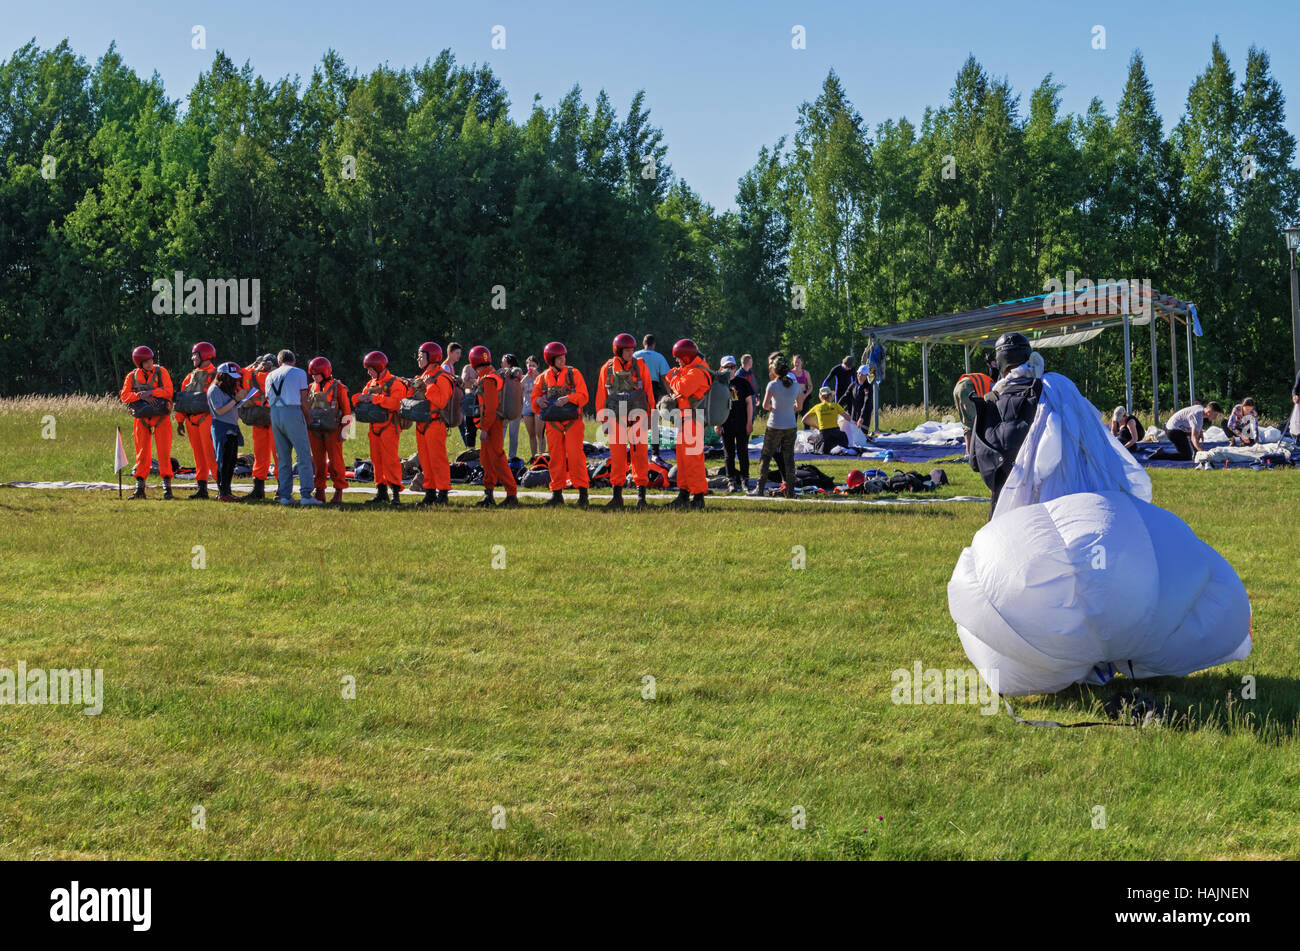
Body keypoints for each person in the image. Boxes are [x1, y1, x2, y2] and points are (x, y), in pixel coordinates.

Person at [970, 333, 1041, 518]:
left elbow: (975, 463)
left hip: (1002, 500)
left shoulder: (988, 403)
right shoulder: (1045, 395)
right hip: (1039, 498)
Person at [595, 332, 655, 509]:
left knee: (640, 455)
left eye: (632, 350)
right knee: (618, 456)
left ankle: (641, 497)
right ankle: (617, 496)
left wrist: (651, 414)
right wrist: (603, 419)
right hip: (615, 416)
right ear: (618, 350)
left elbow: (648, 391)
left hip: (638, 415)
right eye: (627, 350)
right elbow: (601, 395)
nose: (631, 353)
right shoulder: (607, 368)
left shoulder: (641, 365)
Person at [531, 341, 590, 507]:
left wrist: (568, 399)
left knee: (575, 456)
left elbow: (583, 395)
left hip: (573, 422)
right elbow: (534, 400)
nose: (562, 360)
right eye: (559, 357)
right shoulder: (542, 378)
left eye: (563, 356)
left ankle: (583, 494)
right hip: (553, 423)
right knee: (556, 457)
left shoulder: (574, 373)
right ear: (551, 359)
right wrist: (539, 400)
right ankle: (557, 494)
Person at [119, 345, 175, 500]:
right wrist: (141, 396)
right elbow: (124, 396)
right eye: (146, 361)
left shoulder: (161, 372)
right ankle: (140, 489)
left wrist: (151, 392)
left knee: (164, 453)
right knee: (142, 454)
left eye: (151, 360)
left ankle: (167, 490)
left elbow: (169, 391)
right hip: (141, 419)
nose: (150, 363)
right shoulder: (132, 376)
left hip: (161, 418)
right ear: (139, 363)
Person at [663, 338, 713, 509]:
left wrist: (675, 379)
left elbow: (682, 388)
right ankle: (683, 494)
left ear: (685, 357)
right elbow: (670, 375)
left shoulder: (698, 372)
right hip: (685, 419)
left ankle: (698, 498)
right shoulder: (689, 369)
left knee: (693, 461)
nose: (677, 361)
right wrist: (675, 378)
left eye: (678, 357)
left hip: (694, 419)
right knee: (683, 460)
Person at [265, 349, 319, 506]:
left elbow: (269, 398)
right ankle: (306, 495)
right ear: (293, 361)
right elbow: (303, 399)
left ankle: (285, 495)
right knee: (303, 455)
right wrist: (309, 419)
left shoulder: (270, 375)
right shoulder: (299, 373)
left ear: (279, 362)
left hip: (275, 413)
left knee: (283, 457)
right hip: (292, 411)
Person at [355, 350, 409, 505]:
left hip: (389, 427)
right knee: (376, 461)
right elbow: (360, 399)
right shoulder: (371, 384)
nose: (368, 372)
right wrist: (360, 398)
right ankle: (381, 492)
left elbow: (397, 403)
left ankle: (396, 494)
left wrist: (375, 398)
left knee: (390, 460)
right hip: (374, 429)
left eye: (370, 369)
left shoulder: (395, 383)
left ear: (379, 367)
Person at [470, 346, 521, 508]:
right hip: (491, 424)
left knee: (497, 458)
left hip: (493, 425)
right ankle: (489, 494)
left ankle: (511, 494)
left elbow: (490, 408)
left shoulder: (489, 379)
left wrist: (484, 428)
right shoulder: (487, 376)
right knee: (487, 460)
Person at [751, 352, 803, 498]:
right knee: (789, 458)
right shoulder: (796, 386)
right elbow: (799, 406)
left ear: (775, 370)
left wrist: (773, 408)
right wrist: (788, 408)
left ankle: (759, 488)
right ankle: (790, 491)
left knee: (766, 456)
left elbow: (765, 405)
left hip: (774, 425)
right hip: (790, 425)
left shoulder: (772, 385)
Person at [409, 342, 453, 507]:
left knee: (438, 461)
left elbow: (441, 401)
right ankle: (430, 492)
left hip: (435, 423)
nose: (419, 358)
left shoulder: (442, 377)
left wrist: (428, 386)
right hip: (422, 424)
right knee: (425, 462)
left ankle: (443, 493)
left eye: (422, 355)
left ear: (432, 358)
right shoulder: (423, 376)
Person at [176, 341, 219, 499]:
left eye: (195, 355)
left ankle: (221, 487)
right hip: (191, 420)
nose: (192, 357)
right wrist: (180, 421)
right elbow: (183, 399)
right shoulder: (189, 376)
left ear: (205, 355)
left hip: (207, 419)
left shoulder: (215, 374)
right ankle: (202, 489)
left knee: (210, 454)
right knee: (198, 455)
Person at [306, 356, 352, 504]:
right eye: (312, 374)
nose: (314, 376)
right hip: (314, 431)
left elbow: (347, 410)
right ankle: (319, 491)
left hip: (333, 431)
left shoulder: (338, 387)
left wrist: (345, 432)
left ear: (325, 372)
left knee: (335, 462)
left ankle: (338, 491)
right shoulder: (310, 387)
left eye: (316, 373)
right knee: (318, 463)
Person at [207, 361, 248, 503]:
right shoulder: (214, 390)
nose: (234, 381)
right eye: (231, 378)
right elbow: (219, 411)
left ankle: (227, 491)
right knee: (223, 461)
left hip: (231, 427)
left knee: (231, 462)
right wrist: (236, 399)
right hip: (221, 428)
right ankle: (222, 492)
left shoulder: (225, 390)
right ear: (223, 376)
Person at [240, 353, 278, 500]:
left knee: (262, 455)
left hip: (259, 418)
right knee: (276, 454)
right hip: (273, 417)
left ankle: (258, 489)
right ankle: (281, 489)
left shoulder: (251, 373)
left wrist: (254, 364)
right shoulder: (277, 375)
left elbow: (242, 371)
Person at [716, 355, 754, 493]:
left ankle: (745, 480)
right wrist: (717, 423)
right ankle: (731, 481)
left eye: (732, 367)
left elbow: (749, 403)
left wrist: (749, 422)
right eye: (727, 367)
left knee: (743, 453)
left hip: (742, 422)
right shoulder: (718, 384)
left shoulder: (743, 382)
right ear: (721, 368)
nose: (730, 370)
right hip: (726, 423)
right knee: (728, 454)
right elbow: (716, 405)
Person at [634, 334, 671, 452]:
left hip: (638, 388)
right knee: (654, 421)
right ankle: (655, 452)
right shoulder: (659, 357)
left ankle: (637, 449)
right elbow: (665, 377)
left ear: (643, 343)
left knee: (637, 419)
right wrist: (670, 393)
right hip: (654, 387)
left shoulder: (635, 355)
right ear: (654, 344)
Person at [1151, 401, 1224, 461]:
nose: (1216, 417)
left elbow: (1195, 427)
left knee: (1197, 433)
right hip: (1173, 431)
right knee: (1186, 457)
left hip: (1172, 426)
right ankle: (1160, 455)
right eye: (1215, 414)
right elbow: (1193, 438)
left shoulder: (1201, 408)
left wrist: (1200, 432)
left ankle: (1196, 454)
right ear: (1209, 412)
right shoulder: (1197, 416)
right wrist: (1202, 451)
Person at [953, 356, 996, 457]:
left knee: (966, 423)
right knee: (975, 422)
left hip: (957, 388)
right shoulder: (992, 384)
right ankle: (973, 452)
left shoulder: (984, 379)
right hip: (966, 389)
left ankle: (968, 452)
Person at [802, 386, 849, 453]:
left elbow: (804, 419)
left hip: (824, 435)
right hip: (836, 435)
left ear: (820, 396)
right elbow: (848, 418)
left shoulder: (817, 407)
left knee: (810, 438)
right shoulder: (836, 406)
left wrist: (817, 427)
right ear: (830, 395)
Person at [501, 354, 525, 461]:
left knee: (513, 433)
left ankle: (512, 456)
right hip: (503, 406)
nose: (501, 363)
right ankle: (499, 454)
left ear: (509, 363)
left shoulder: (516, 372)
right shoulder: (501, 373)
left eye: (503, 361)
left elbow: (517, 371)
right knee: (501, 432)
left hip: (515, 406)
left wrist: (509, 371)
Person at [841, 364, 875, 436]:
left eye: (862, 374)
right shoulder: (853, 385)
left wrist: (862, 418)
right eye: (859, 373)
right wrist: (836, 407)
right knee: (851, 436)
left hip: (864, 417)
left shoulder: (868, 387)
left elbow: (867, 402)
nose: (860, 375)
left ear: (866, 375)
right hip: (853, 415)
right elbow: (845, 397)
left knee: (861, 437)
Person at [520, 355, 543, 460]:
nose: (531, 367)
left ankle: (542, 456)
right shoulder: (523, 377)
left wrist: (537, 375)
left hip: (539, 408)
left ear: (537, 366)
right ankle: (534, 457)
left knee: (540, 434)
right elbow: (519, 387)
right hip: (527, 408)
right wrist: (526, 376)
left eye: (533, 365)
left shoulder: (541, 376)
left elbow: (545, 386)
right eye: (529, 365)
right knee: (531, 435)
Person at [459, 348, 479, 451]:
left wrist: (472, 381)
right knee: (470, 428)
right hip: (470, 399)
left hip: (482, 400)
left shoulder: (486, 368)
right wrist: (475, 381)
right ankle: (471, 451)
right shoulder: (467, 368)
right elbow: (464, 383)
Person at [791, 354, 813, 422]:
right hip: (793, 395)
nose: (797, 363)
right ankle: (792, 431)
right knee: (793, 417)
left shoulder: (806, 373)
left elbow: (810, 386)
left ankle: (808, 431)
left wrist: (805, 395)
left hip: (803, 395)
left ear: (801, 362)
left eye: (798, 362)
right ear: (793, 362)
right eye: (795, 362)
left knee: (806, 417)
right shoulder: (790, 373)